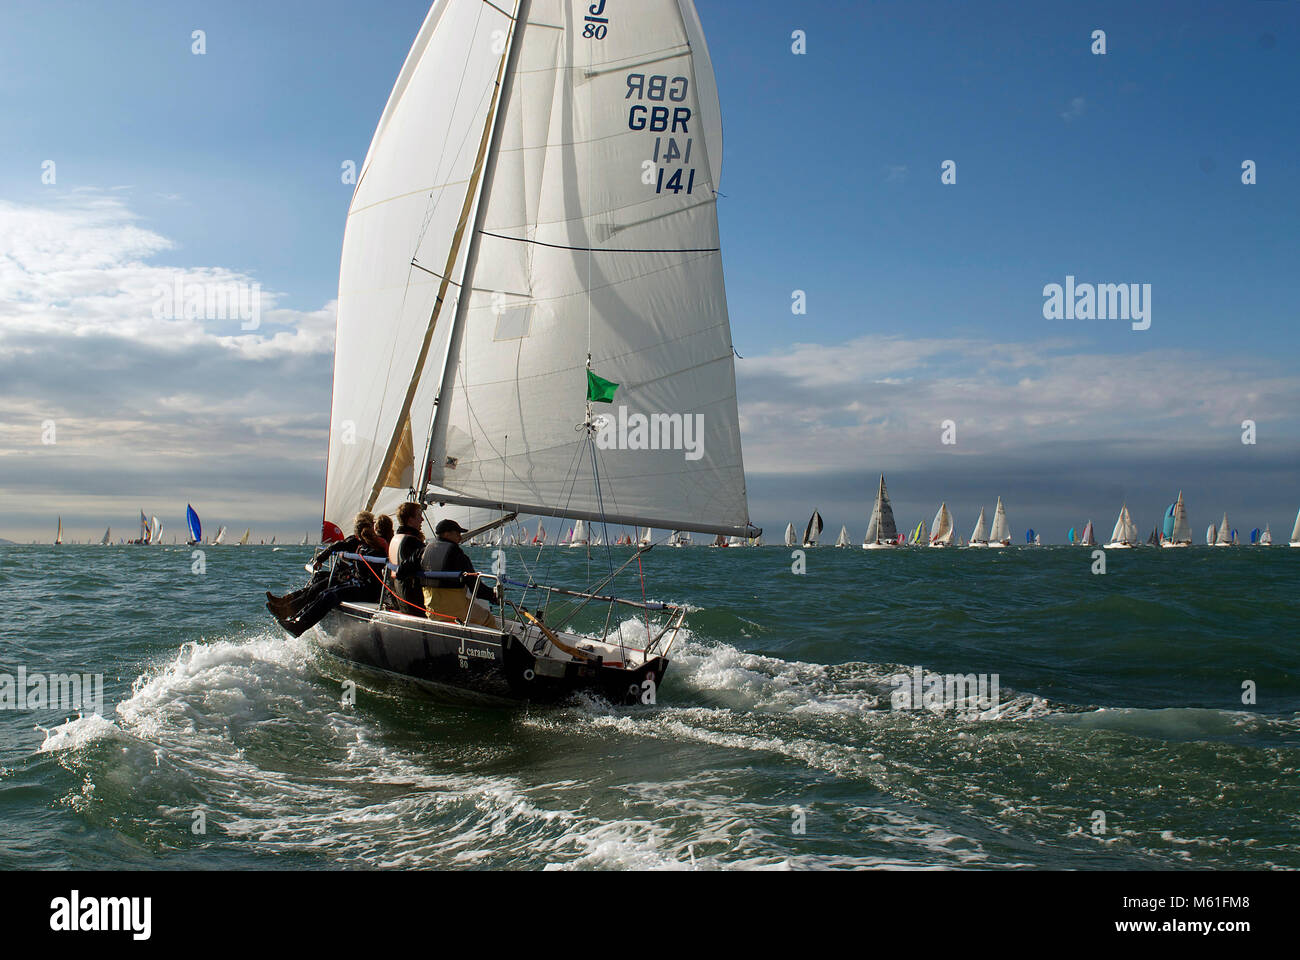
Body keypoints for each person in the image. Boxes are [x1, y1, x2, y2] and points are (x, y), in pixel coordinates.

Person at [266, 512, 382, 637]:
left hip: (361, 584)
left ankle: (292, 614)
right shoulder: (362, 543)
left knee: (323, 589)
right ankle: (289, 609)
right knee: (319, 583)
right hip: (353, 579)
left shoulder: (370, 544)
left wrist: (322, 559)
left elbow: (338, 547)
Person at [421, 519, 498, 627]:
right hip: (455, 611)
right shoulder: (457, 555)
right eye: (457, 534)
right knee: (488, 619)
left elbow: (404, 568)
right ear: (447, 534)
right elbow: (477, 588)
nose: (460, 538)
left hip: (431, 610)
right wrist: (494, 596)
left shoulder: (424, 551)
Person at [386, 502, 427, 616]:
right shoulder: (411, 541)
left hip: (398, 597)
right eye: (419, 516)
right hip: (413, 602)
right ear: (410, 520)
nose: (422, 519)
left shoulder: (395, 539)